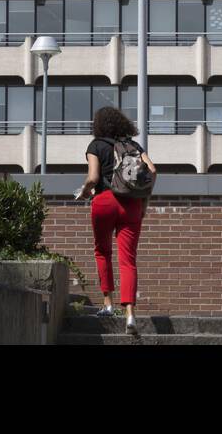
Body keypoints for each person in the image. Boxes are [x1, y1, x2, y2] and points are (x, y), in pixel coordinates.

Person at [79, 106, 157, 334]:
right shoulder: (133, 145)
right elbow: (152, 170)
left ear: (99, 125)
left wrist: (84, 191)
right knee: (128, 260)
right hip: (131, 204)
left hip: (104, 201)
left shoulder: (96, 146)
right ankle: (130, 314)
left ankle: (108, 304)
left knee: (103, 251)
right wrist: (144, 204)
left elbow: (93, 178)